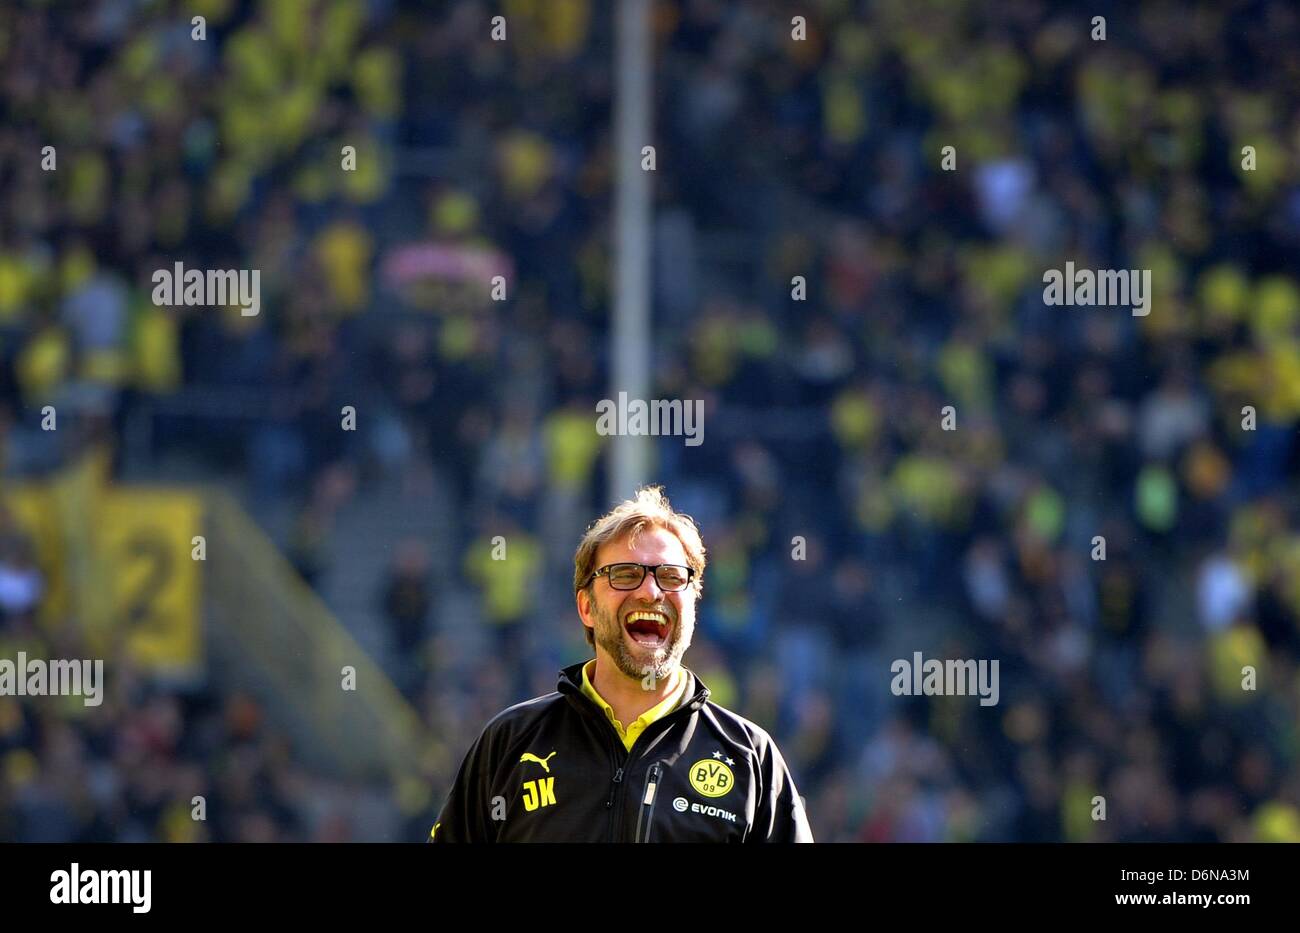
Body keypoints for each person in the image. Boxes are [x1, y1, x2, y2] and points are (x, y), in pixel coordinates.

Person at [428, 486, 813, 842]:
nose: (650, 591)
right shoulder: (509, 743)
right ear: (586, 607)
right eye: (625, 574)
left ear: (693, 606)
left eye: (671, 576)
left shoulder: (751, 760)